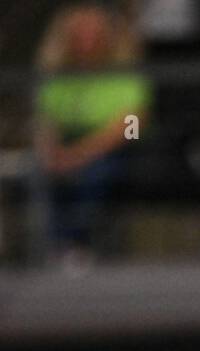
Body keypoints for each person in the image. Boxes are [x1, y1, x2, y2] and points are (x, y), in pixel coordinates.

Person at [33, 4, 151, 264]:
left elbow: (132, 125)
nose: (86, 41)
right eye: (79, 34)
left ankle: (77, 245)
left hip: (112, 147)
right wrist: (51, 153)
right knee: (39, 170)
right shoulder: (57, 76)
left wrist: (80, 155)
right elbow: (46, 121)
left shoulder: (124, 74)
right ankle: (55, 246)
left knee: (98, 172)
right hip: (67, 146)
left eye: (93, 34)